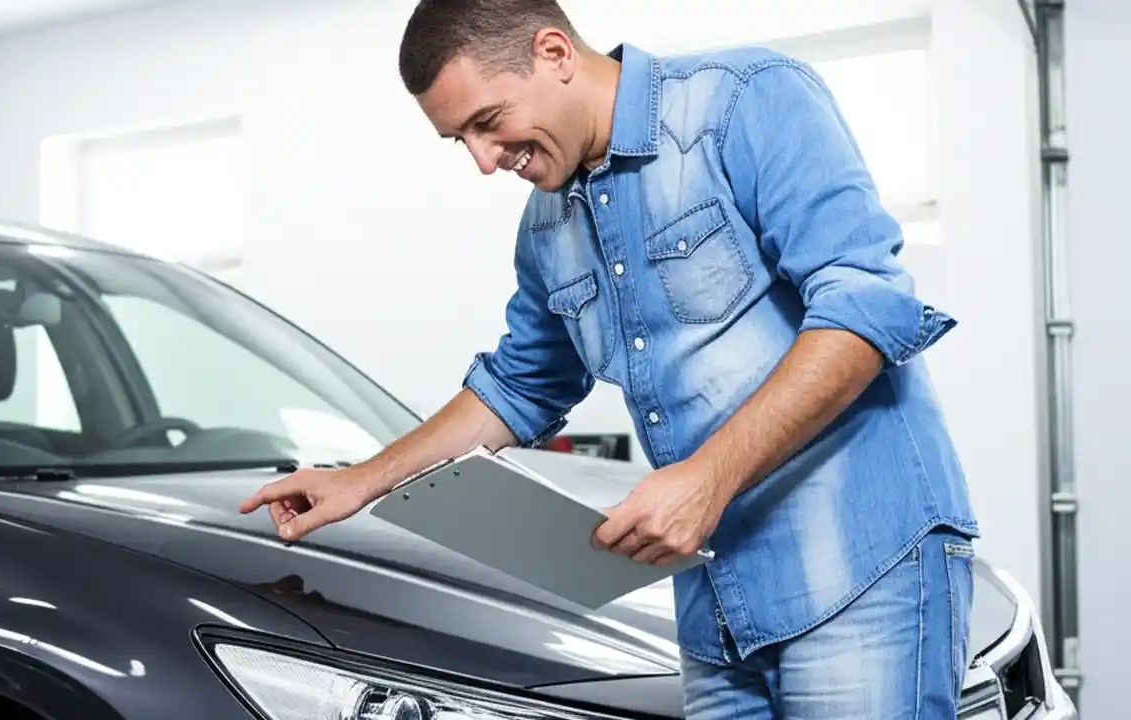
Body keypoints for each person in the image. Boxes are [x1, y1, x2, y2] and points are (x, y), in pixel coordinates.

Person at [240, 0, 980, 716]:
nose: (484, 161)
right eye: (459, 140)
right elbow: (517, 388)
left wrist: (708, 478)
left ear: (554, 52)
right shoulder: (547, 226)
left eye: (487, 122)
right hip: (718, 608)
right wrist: (361, 480)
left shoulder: (744, 102)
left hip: (860, 569)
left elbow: (866, 306)